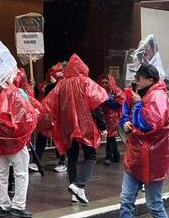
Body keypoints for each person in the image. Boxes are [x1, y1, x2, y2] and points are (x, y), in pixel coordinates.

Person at [96, 64, 169, 218]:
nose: (136, 80)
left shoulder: (158, 97)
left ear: (150, 79)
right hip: (137, 156)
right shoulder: (142, 94)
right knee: (126, 199)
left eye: (139, 77)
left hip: (153, 159)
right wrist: (127, 119)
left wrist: (137, 106)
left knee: (154, 204)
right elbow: (130, 117)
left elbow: (147, 123)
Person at [41, 55, 108, 204]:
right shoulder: (86, 82)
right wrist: (103, 126)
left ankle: (75, 191)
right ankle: (79, 185)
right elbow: (96, 106)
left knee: (72, 157)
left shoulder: (61, 85)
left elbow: (49, 104)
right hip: (86, 126)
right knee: (90, 156)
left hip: (67, 126)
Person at [0, 67, 38, 218]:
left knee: (0, 173)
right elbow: (22, 116)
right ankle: (18, 206)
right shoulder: (13, 93)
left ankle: (3, 206)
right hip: (14, 140)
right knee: (20, 173)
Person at [33, 62, 67, 173]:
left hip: (59, 116)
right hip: (46, 116)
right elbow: (41, 96)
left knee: (59, 139)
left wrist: (53, 85)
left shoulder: (63, 85)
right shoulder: (44, 85)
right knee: (42, 137)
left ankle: (61, 161)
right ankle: (36, 161)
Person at [99, 72, 125, 165]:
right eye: (102, 82)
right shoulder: (101, 90)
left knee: (110, 136)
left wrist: (108, 100)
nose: (104, 84)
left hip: (114, 117)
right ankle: (116, 155)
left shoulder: (116, 90)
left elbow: (118, 103)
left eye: (106, 82)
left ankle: (109, 156)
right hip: (105, 116)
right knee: (111, 137)